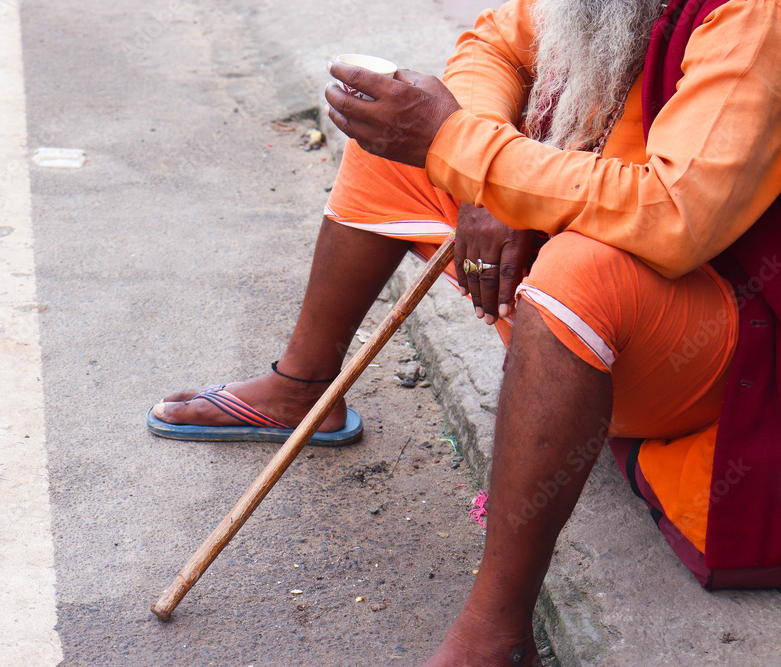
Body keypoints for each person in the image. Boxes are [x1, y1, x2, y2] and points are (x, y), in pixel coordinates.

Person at [148, 0, 781, 662]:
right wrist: (477, 184)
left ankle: (496, 631)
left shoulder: (754, 15)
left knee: (575, 271)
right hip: (559, 254)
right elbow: (493, 44)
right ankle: (304, 386)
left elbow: (673, 217)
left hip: (707, 337)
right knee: (399, 139)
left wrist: (468, 152)